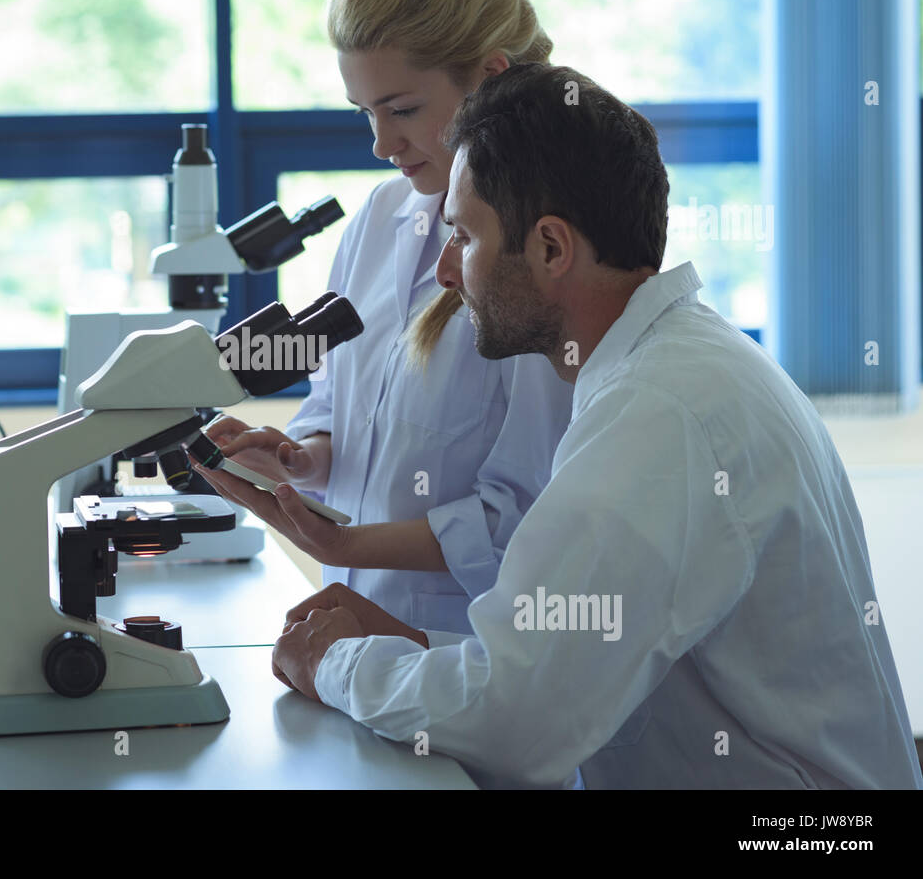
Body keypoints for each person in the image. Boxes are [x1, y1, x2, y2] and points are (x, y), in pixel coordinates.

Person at [265, 63, 923, 790]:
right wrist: (409, 641)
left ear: (551, 248)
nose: (448, 273)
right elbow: (566, 661)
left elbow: (513, 723)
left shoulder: (658, 416)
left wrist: (333, 662)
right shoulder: (672, 364)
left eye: (465, 238)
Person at [200, 0, 573, 636]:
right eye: (363, 113)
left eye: (401, 110)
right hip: (358, 640)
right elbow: (337, 405)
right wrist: (296, 458)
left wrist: (341, 545)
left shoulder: (545, 256)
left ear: (489, 80)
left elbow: (526, 515)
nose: (380, 143)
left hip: (469, 652)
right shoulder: (379, 217)